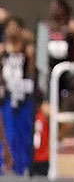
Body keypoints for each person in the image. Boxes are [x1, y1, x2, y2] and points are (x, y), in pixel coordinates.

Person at [1, 19, 33, 175]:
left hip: (23, 95)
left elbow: (31, 71)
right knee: (8, 130)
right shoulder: (2, 50)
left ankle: (21, 166)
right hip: (6, 95)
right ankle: (4, 164)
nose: (12, 31)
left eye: (16, 28)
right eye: (10, 28)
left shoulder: (27, 49)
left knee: (22, 131)